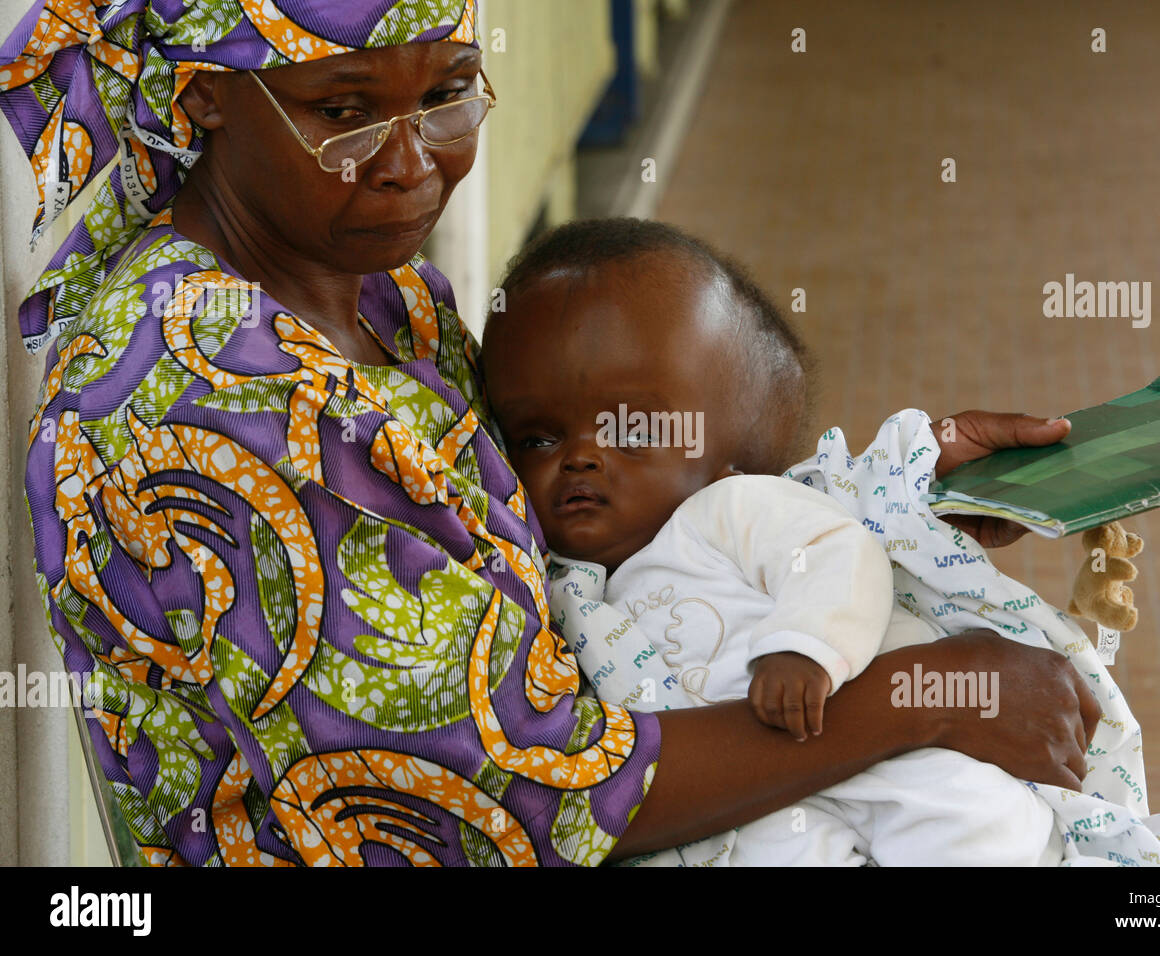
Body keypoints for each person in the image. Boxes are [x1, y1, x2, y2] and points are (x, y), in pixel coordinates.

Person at [1, 0, 1100, 867]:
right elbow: (529, 797)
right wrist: (923, 695)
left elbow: (570, 507)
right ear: (204, 101)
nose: (410, 161)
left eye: (445, 94)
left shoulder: (364, 289)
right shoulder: (220, 402)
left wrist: (878, 502)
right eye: (341, 110)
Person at [481, 218, 1067, 866]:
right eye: (538, 438)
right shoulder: (560, 582)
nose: (581, 456)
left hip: (872, 741)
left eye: (633, 429)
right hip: (756, 798)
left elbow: (838, 552)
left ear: (731, 464)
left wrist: (804, 648)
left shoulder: (729, 510)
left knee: (963, 818)